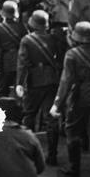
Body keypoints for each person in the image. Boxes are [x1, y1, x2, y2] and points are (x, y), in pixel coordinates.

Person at [50, 21, 90, 177]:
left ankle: (74, 168)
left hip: (80, 96)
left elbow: (66, 81)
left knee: (72, 131)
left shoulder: (72, 54)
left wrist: (58, 104)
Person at [16, 10, 65, 165]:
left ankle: (27, 151)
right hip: (52, 80)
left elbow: (23, 63)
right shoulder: (54, 38)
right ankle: (52, 155)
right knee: (51, 119)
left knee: (29, 115)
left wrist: (20, 82)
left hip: (34, 81)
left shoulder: (27, 40)